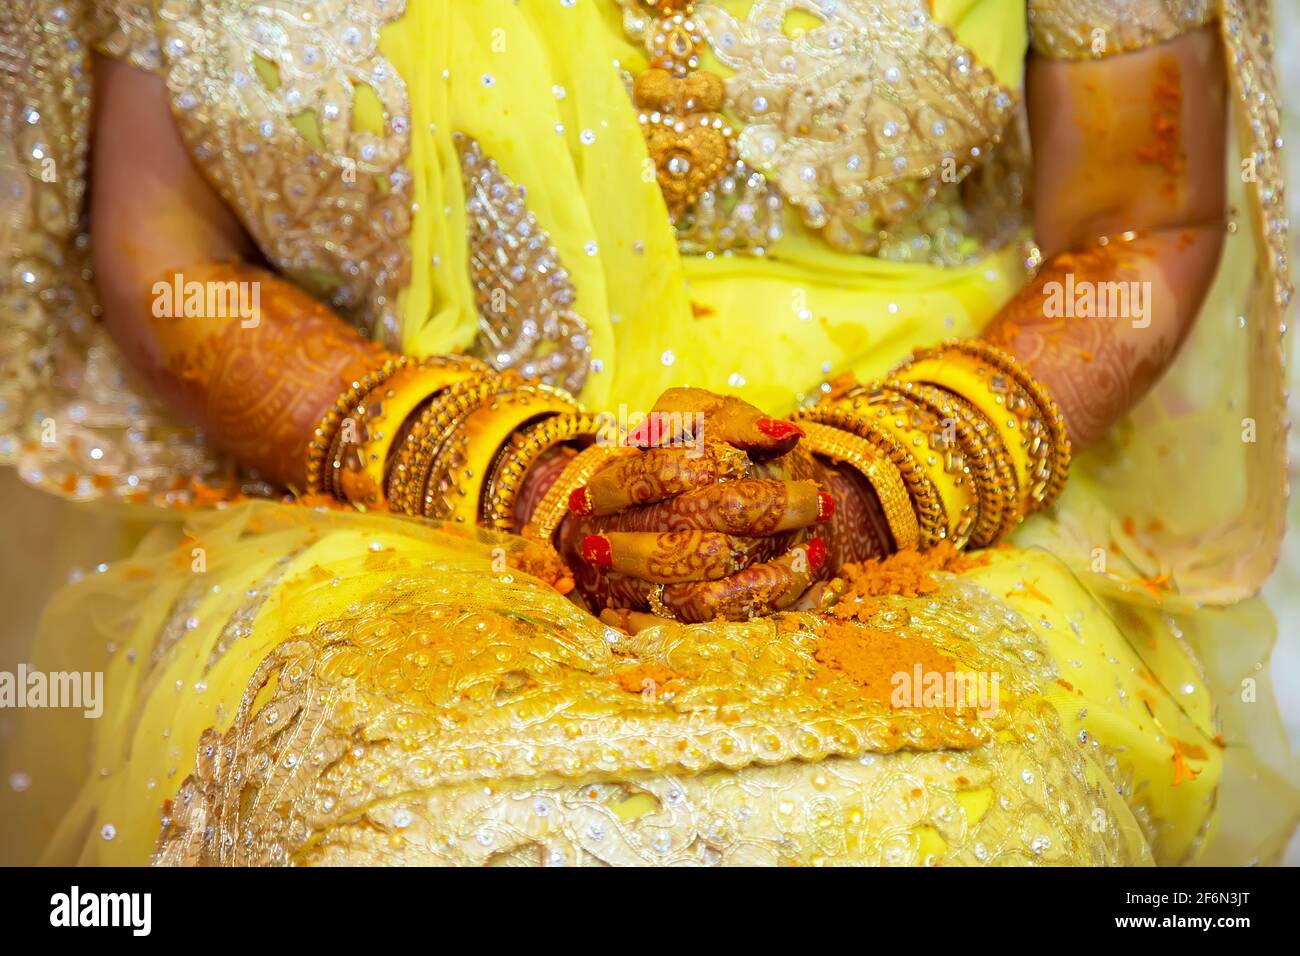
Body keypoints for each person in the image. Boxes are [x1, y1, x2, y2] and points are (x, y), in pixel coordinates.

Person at [0, 0, 1295, 865]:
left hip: (938, 506)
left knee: (946, 815)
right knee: (406, 819)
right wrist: (498, 467)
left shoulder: (906, 483)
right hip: (363, 500)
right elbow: (162, 253)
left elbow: (1143, 213)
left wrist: (889, 475)